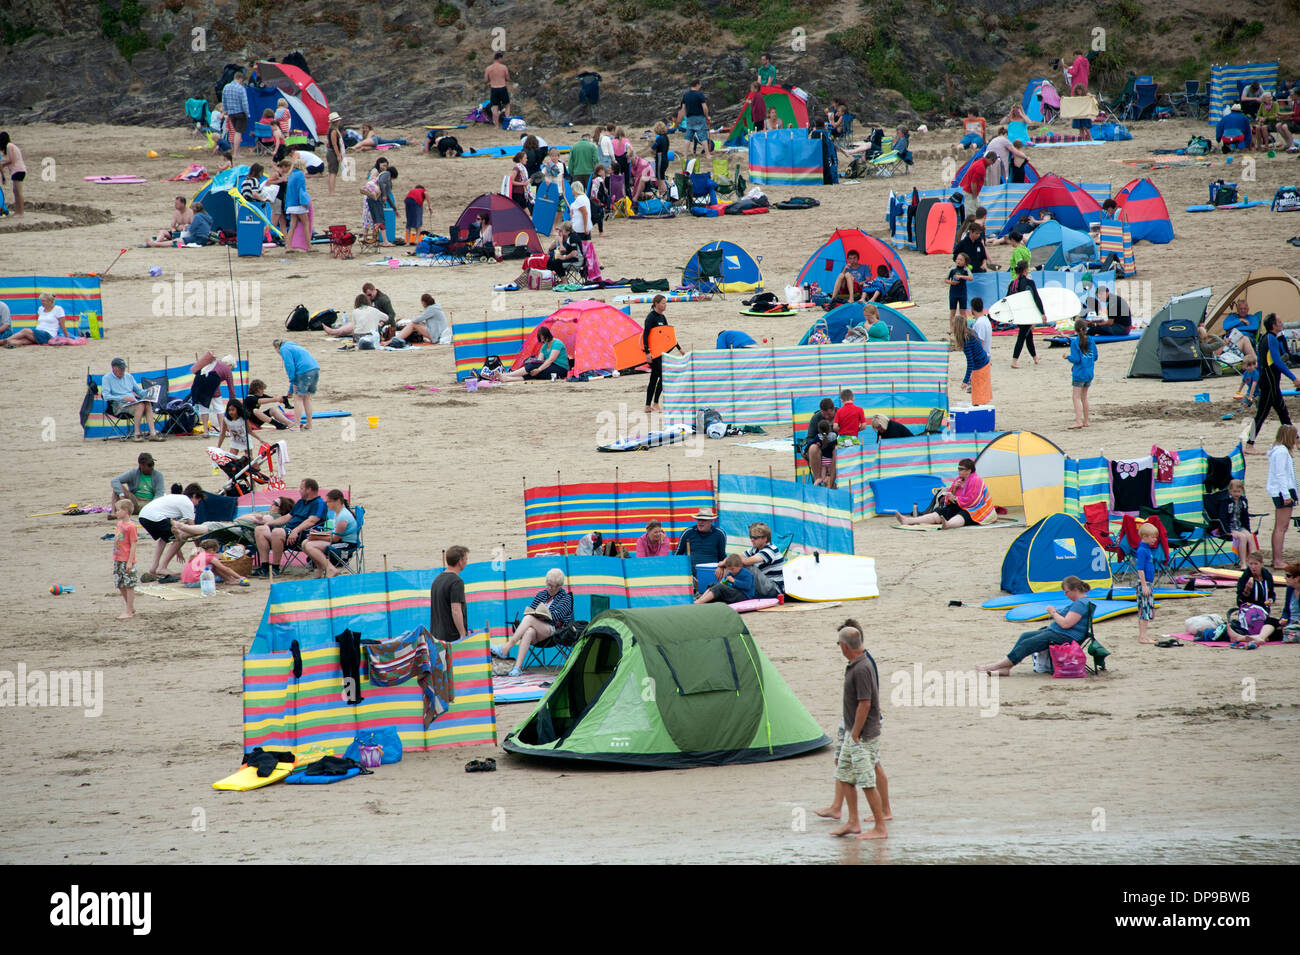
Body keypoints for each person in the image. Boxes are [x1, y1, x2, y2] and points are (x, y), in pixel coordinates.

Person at [827, 622, 889, 839]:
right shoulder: (856, 663)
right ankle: (853, 822)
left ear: (844, 646)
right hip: (854, 734)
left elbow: (865, 703)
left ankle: (880, 827)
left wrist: (855, 733)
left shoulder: (862, 667)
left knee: (866, 780)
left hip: (862, 735)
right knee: (844, 775)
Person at [977, 576, 1092, 675]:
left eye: (1066, 592)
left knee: (1028, 643)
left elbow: (1066, 624)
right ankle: (1007, 668)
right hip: (1058, 632)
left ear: (1075, 590)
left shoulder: (1080, 604)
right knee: (1025, 636)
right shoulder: (1080, 603)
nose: (1065, 595)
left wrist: (1053, 612)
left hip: (1066, 636)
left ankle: (995, 666)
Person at [492, 568, 573, 676]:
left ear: (559, 586)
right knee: (529, 630)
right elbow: (530, 610)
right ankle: (517, 667)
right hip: (538, 632)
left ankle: (506, 647)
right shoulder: (542, 594)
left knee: (529, 619)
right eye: (548, 584)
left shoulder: (566, 598)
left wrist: (541, 616)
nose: (549, 588)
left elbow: (556, 616)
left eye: (552, 586)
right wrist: (537, 615)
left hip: (555, 632)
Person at [251, 478, 326, 577]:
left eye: (301, 488)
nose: (299, 490)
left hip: (302, 535)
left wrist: (295, 530)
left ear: (309, 489)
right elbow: (287, 517)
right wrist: (269, 524)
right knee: (260, 529)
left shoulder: (319, 504)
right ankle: (265, 567)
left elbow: (311, 521)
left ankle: (275, 568)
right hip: (288, 532)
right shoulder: (300, 502)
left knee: (278, 532)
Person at [1247, 314, 1297, 454]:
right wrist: (1293, 378)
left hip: (1271, 382)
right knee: (1261, 415)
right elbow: (1277, 362)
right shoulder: (1270, 338)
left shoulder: (1267, 338)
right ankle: (1249, 445)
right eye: (1279, 321)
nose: (1281, 323)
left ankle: (1296, 440)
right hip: (1269, 383)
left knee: (1283, 412)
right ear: (1273, 325)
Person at [897, 457, 995, 528]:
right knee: (939, 512)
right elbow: (949, 495)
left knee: (965, 514)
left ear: (969, 470)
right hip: (960, 505)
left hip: (976, 508)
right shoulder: (959, 479)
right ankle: (909, 520)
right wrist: (954, 489)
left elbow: (973, 501)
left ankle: (949, 524)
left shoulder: (976, 480)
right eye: (958, 468)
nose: (959, 471)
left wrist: (955, 499)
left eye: (961, 469)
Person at [138, 483, 207, 582]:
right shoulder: (188, 503)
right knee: (185, 534)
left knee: (163, 539)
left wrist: (178, 550)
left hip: (144, 516)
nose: (197, 504)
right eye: (198, 501)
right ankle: (162, 567)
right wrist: (200, 548)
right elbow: (193, 529)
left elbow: (172, 532)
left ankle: (154, 567)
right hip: (155, 517)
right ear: (195, 496)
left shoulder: (176, 498)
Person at [99, 356, 163, 440]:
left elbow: (140, 392)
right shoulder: (107, 378)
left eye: (123, 369)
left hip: (133, 403)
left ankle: (153, 433)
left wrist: (148, 391)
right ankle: (137, 434)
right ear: (114, 368)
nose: (122, 371)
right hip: (119, 405)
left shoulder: (129, 376)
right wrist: (123, 398)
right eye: (120, 369)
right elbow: (105, 396)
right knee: (140, 405)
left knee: (147, 403)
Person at [301, 488, 359, 578]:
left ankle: (331, 569)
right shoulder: (338, 513)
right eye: (327, 502)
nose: (327, 504)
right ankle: (320, 569)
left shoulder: (343, 516)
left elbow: (336, 538)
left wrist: (316, 538)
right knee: (305, 543)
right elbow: (334, 531)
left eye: (329, 502)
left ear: (338, 501)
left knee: (310, 545)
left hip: (346, 545)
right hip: (340, 541)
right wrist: (318, 534)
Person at [642, 294, 683, 414]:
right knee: (664, 377)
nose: (665, 305)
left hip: (662, 353)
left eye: (665, 303)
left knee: (654, 378)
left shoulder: (662, 318)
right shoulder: (651, 318)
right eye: (663, 303)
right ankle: (655, 403)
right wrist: (647, 352)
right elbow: (645, 335)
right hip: (653, 354)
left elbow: (668, 335)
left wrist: (679, 348)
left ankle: (647, 405)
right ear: (656, 304)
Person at [1267, 424, 1298, 567]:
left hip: (1284, 489)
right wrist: (1286, 495)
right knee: (1281, 526)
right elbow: (1281, 475)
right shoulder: (1281, 452)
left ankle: (1277, 559)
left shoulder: (1280, 450)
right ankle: (1277, 559)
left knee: (1282, 527)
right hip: (1282, 491)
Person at [1235, 551, 1282, 642]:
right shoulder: (1245, 578)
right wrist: (1247, 590)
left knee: (1276, 625)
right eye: (1251, 564)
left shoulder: (1267, 576)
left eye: (1256, 564)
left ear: (1262, 564)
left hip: (1264, 609)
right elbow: (1240, 601)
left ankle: (1261, 636)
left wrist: (1271, 599)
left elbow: (1272, 593)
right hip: (1250, 612)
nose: (1253, 567)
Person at [273, 338, 318, 430]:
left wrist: (292, 384)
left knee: (298, 398)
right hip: (315, 369)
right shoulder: (294, 346)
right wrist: (290, 389)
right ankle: (309, 424)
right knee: (307, 398)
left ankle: (296, 425)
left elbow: (290, 367)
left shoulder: (284, 349)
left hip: (303, 371)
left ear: (277, 347)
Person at [1007, 259, 1043, 368]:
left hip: (1017, 314)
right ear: (1026, 270)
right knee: (1022, 336)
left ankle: (1035, 357)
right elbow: (1036, 298)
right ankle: (1014, 361)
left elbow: (1007, 299)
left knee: (1028, 335)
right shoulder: (1029, 283)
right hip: (1026, 314)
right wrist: (1042, 313)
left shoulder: (1012, 284)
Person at [189, 351, 236, 434]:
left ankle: (205, 432)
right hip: (212, 385)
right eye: (233, 367)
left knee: (204, 408)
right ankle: (222, 430)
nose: (232, 369)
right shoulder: (227, 370)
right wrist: (233, 401)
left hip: (199, 383)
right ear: (230, 365)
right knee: (219, 409)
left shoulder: (213, 363)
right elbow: (231, 388)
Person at [429, 545, 469, 642]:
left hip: (436, 635)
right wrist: (462, 634)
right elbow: (456, 610)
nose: (467, 561)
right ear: (460, 561)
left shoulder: (437, 580)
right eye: (466, 559)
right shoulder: (456, 582)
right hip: (451, 637)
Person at [501, 325, 569, 381]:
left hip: (561, 369)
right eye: (541, 339)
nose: (542, 340)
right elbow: (539, 361)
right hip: (551, 367)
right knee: (533, 371)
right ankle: (508, 379)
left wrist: (539, 369)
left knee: (534, 366)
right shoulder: (544, 346)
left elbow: (550, 360)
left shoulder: (557, 343)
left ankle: (508, 374)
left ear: (548, 336)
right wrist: (537, 369)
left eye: (543, 338)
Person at [1218, 479, 1256, 571]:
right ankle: (1242, 562)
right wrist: (1228, 531)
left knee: (1250, 536)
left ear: (1242, 491)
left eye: (1239, 492)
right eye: (1234, 491)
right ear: (1230, 491)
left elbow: (1245, 516)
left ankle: (1253, 562)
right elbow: (1222, 518)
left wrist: (1248, 529)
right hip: (1230, 527)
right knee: (1242, 538)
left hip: (1239, 526)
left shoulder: (1243, 501)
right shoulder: (1225, 501)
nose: (1237, 494)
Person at [954, 312, 992, 406]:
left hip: (980, 367)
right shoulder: (971, 332)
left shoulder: (966, 341)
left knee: (978, 399)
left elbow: (970, 363)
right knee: (980, 395)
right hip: (984, 363)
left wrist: (965, 381)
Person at [1066, 321, 1098, 429]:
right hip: (1089, 373)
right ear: (1086, 329)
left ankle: (1078, 421)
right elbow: (1095, 357)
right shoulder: (1091, 341)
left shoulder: (1075, 342)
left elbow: (1076, 359)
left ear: (1075, 330)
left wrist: (1067, 357)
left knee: (1076, 397)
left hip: (1079, 373)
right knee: (1084, 397)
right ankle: (1086, 421)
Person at [181, 538, 249, 588]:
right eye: (215, 551)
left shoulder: (197, 554)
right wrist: (240, 577)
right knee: (216, 567)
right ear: (211, 550)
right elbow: (225, 569)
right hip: (196, 582)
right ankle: (230, 580)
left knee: (214, 569)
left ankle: (229, 579)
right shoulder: (209, 556)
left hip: (186, 582)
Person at [111, 499, 139, 620]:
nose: (116, 512)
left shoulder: (131, 526)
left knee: (129, 585)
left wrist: (129, 561)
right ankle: (130, 606)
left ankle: (129, 611)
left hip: (127, 559)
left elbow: (133, 544)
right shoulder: (119, 524)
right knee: (120, 584)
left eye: (118, 510)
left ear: (126, 511)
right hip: (118, 558)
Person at [215, 397, 266, 461]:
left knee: (249, 460)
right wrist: (218, 447)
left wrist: (260, 439)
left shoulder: (243, 419)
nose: (231, 412)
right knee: (231, 459)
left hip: (245, 441)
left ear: (237, 409)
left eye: (233, 410)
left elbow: (250, 431)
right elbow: (222, 434)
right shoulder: (226, 419)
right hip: (235, 441)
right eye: (229, 410)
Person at [740, 522, 785, 594]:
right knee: (732, 564)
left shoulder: (770, 550)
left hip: (774, 589)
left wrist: (732, 562)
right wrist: (721, 565)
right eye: (751, 537)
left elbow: (746, 562)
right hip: (765, 585)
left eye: (755, 537)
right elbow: (737, 557)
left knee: (747, 566)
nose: (752, 539)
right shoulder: (755, 549)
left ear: (765, 538)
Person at [1133, 522, 1159, 645]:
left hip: (1148, 583)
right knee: (1145, 611)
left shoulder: (1147, 549)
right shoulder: (1142, 550)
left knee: (1146, 610)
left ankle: (1143, 635)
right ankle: (1143, 637)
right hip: (1145, 584)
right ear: (1144, 536)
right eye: (1152, 537)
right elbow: (1140, 569)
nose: (1155, 539)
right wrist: (1144, 585)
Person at [803, 398, 838, 487]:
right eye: (824, 414)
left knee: (836, 450)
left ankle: (830, 484)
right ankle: (818, 480)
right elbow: (809, 438)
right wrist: (818, 443)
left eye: (829, 414)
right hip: (820, 450)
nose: (826, 417)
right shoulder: (816, 417)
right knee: (813, 448)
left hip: (835, 449)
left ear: (834, 409)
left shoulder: (840, 414)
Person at [677, 79, 712, 156]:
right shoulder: (699, 94)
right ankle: (707, 154)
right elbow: (705, 107)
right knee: (703, 136)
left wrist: (678, 121)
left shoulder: (686, 95)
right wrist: (707, 117)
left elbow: (683, 109)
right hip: (699, 117)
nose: (700, 86)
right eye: (700, 84)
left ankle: (685, 155)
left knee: (688, 137)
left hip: (689, 118)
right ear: (697, 85)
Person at [220, 69, 249, 161]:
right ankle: (236, 153)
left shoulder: (226, 87)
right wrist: (247, 113)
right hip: (240, 112)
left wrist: (226, 111)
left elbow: (223, 101)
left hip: (231, 113)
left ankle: (234, 151)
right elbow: (244, 103)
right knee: (238, 132)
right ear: (240, 79)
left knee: (234, 131)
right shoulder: (241, 88)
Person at [484, 51, 511, 129]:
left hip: (494, 89)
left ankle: (496, 126)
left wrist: (492, 79)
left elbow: (485, 80)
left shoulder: (488, 68)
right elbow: (507, 78)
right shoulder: (503, 67)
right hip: (502, 87)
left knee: (495, 107)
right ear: (499, 58)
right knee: (507, 105)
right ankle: (506, 123)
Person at [947, 251, 971, 321]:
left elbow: (971, 278)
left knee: (963, 312)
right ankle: (951, 328)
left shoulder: (966, 270)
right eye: (957, 259)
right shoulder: (952, 269)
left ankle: (964, 327)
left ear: (965, 262)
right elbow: (945, 280)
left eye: (961, 260)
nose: (958, 261)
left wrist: (961, 276)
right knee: (952, 312)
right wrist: (952, 282)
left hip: (962, 293)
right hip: (953, 293)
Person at [568, 173, 593, 242]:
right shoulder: (585, 197)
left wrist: (585, 227)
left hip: (580, 229)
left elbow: (585, 213)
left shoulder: (579, 199)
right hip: (582, 227)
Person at [325, 111, 344, 195]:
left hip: (330, 152)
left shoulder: (332, 130)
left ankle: (331, 190)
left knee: (331, 172)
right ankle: (332, 191)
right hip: (332, 153)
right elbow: (334, 144)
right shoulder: (333, 131)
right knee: (333, 172)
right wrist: (338, 155)